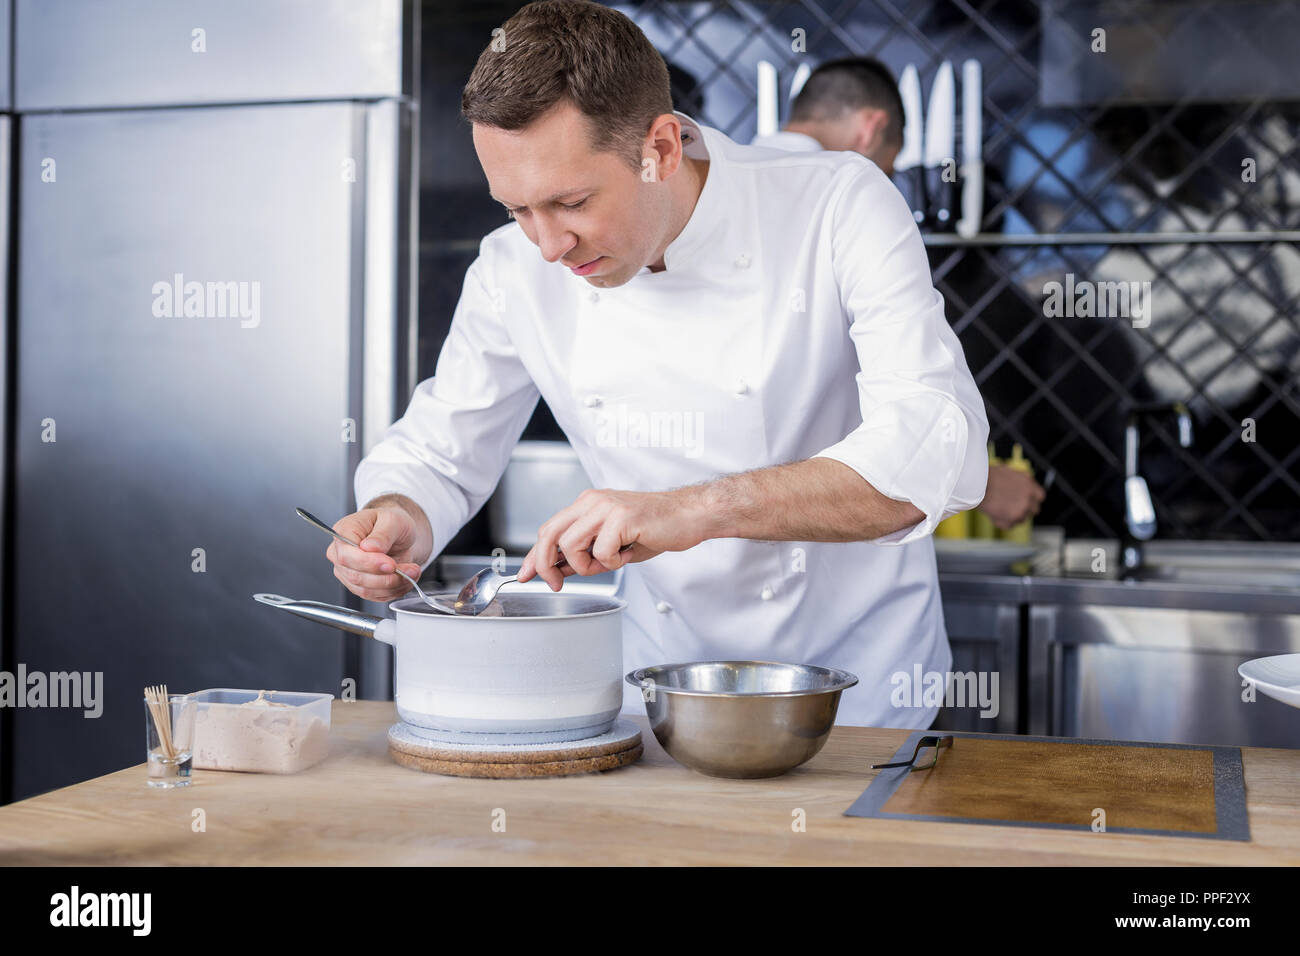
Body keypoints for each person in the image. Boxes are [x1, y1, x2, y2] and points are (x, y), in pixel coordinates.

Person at [329, 1, 990, 729]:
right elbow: (440, 453)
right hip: (654, 696)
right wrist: (399, 517)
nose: (548, 245)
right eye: (517, 209)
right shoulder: (510, 270)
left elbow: (931, 451)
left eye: (571, 201)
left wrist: (689, 510)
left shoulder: (838, 205)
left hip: (855, 699)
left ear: (663, 149)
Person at [754, 56, 1046, 531]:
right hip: (849, 549)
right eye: (890, 167)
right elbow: (898, 410)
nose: (888, 181)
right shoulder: (854, 195)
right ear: (872, 128)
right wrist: (983, 485)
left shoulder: (708, 188)